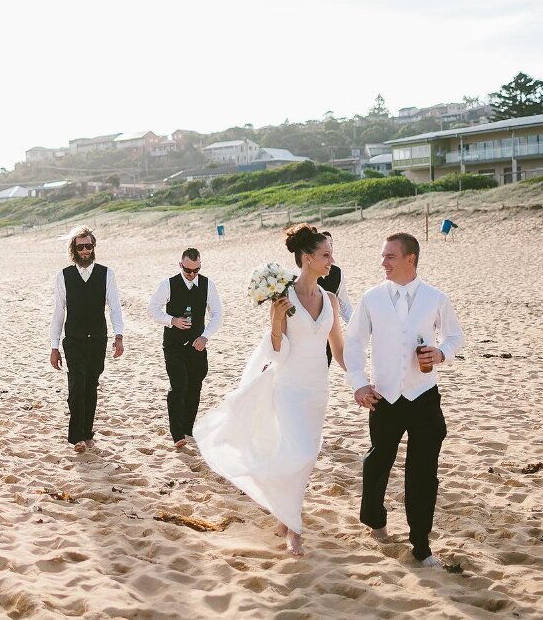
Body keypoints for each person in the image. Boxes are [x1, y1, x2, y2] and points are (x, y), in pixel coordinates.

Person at [193, 223, 345, 556]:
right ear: (306, 258)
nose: (331, 261)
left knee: (304, 457)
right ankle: (294, 529)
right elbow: (276, 352)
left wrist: (362, 380)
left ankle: (283, 511)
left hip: (317, 389)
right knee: (299, 452)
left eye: (331, 255)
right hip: (288, 386)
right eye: (326, 255)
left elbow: (339, 350)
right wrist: (276, 322)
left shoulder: (331, 299)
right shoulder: (284, 297)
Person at [343, 232, 464, 568]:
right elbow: (353, 343)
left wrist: (441, 353)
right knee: (378, 461)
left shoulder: (436, 298)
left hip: (424, 397)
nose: (383, 262)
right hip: (383, 397)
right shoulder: (372, 298)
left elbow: (456, 336)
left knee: (423, 472)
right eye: (383, 256)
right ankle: (375, 519)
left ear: (411, 259)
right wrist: (358, 384)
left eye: (390, 257)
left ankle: (421, 544)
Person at [49, 225, 124, 453]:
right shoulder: (64, 275)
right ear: (74, 248)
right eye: (80, 247)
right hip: (73, 339)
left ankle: (87, 433)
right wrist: (54, 346)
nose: (84, 251)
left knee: (91, 386)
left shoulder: (106, 273)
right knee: (76, 386)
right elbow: (58, 312)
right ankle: (76, 437)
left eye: (88, 246)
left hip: (98, 339)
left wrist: (118, 336)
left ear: (93, 247)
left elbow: (115, 307)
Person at [147, 247, 223, 448]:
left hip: (197, 345)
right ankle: (177, 433)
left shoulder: (208, 285)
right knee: (178, 385)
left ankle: (188, 429)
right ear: (180, 265)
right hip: (173, 345)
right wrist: (171, 320)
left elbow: (217, 314)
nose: (191, 275)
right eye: (188, 270)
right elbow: (152, 310)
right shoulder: (168, 284)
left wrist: (205, 337)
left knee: (194, 387)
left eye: (196, 270)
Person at [317, 231, 354, 366]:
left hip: (329, 334)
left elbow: (344, 305)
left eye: (331, 245)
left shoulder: (337, 273)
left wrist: (357, 325)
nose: (330, 249)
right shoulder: (298, 276)